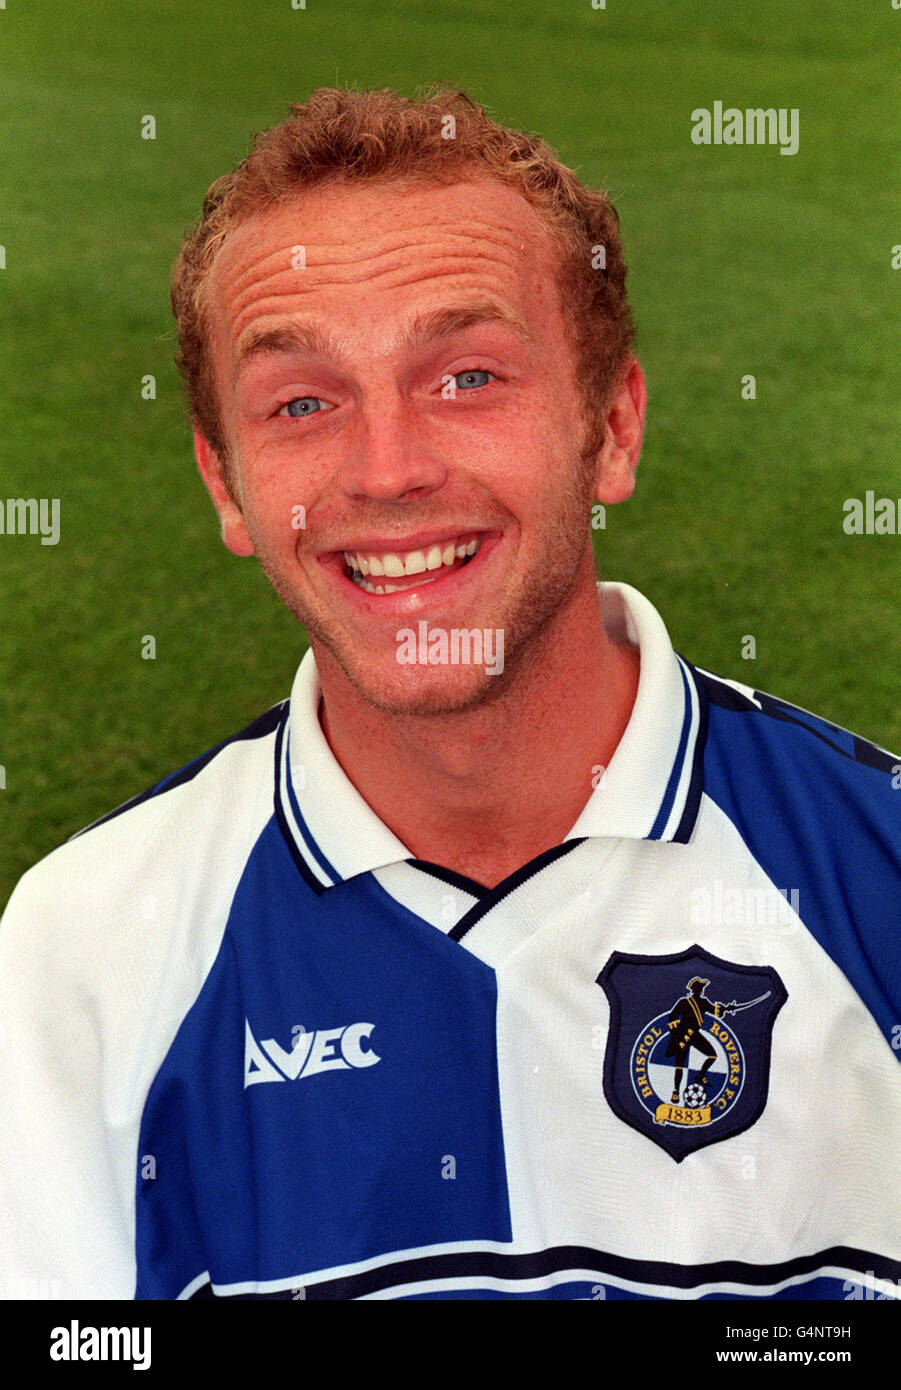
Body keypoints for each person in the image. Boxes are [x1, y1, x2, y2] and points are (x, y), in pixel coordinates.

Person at [1, 87, 898, 1302]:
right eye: (302, 403)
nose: (389, 470)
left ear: (612, 426)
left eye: (467, 376)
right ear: (225, 482)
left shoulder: (874, 874)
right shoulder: (81, 953)